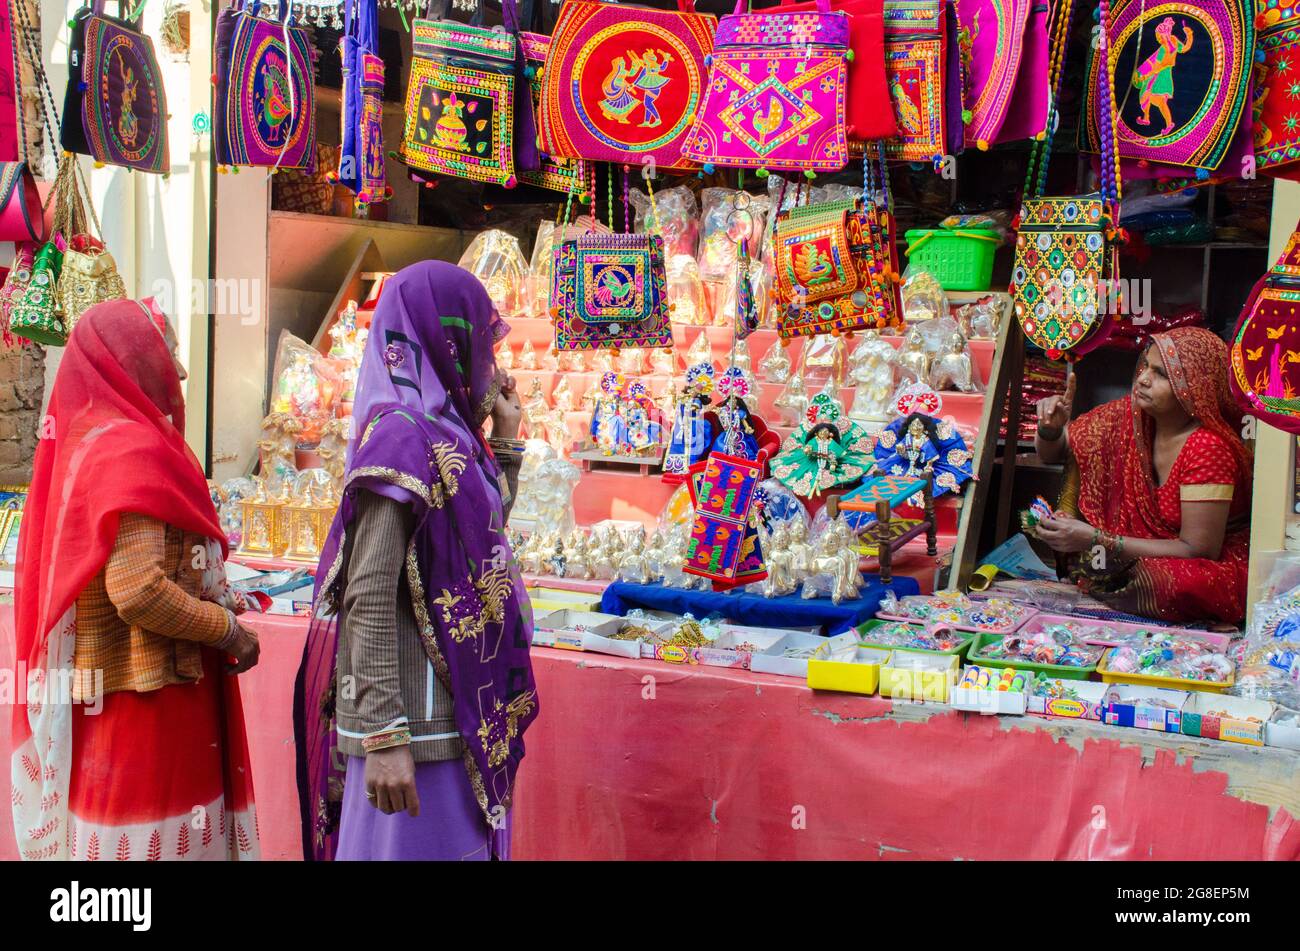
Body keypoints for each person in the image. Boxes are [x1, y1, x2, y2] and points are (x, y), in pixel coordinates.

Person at [294, 260, 534, 861]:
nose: (493, 365)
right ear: (448, 338)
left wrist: (502, 442)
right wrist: (383, 736)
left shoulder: (444, 432)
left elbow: (475, 543)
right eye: (484, 342)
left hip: (454, 720)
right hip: (415, 735)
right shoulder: (402, 436)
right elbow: (368, 591)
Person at [11, 299, 261, 861]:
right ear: (135, 360)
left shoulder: (88, 440)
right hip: (151, 699)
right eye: (168, 351)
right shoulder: (131, 448)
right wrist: (228, 629)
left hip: (114, 691)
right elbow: (138, 588)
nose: (180, 370)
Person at [1034, 328, 1252, 624]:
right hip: (1138, 549)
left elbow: (1199, 549)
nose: (1143, 379)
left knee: (1170, 583)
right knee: (1101, 560)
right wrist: (1050, 428)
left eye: (1161, 374)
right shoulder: (1128, 418)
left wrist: (1097, 538)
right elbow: (1054, 454)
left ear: (1196, 387)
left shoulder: (1208, 447)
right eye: (1145, 366)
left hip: (1197, 561)